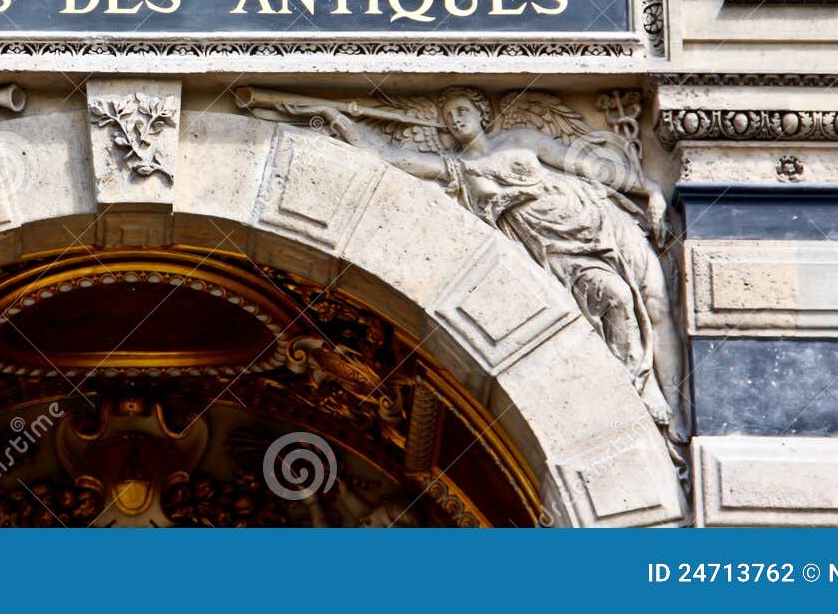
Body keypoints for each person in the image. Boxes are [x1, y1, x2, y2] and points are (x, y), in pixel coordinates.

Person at [280, 86, 685, 441]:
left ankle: (678, 404)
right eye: (449, 115)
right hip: (558, 248)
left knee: (658, 302)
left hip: (598, 218)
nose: (456, 119)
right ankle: (640, 386)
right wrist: (338, 119)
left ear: (481, 113)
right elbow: (391, 157)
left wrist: (646, 187)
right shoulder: (457, 169)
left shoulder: (521, 139)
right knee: (614, 297)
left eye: (463, 110)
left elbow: (583, 164)